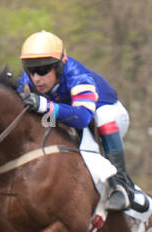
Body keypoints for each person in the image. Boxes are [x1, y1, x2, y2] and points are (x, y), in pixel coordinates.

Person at [16, 30, 140, 212]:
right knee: (42, 122)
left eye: (42, 70)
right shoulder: (29, 79)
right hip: (70, 114)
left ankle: (121, 187)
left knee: (103, 118)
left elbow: (82, 117)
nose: (36, 78)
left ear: (59, 66)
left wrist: (45, 106)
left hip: (104, 113)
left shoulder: (78, 75)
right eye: (30, 70)